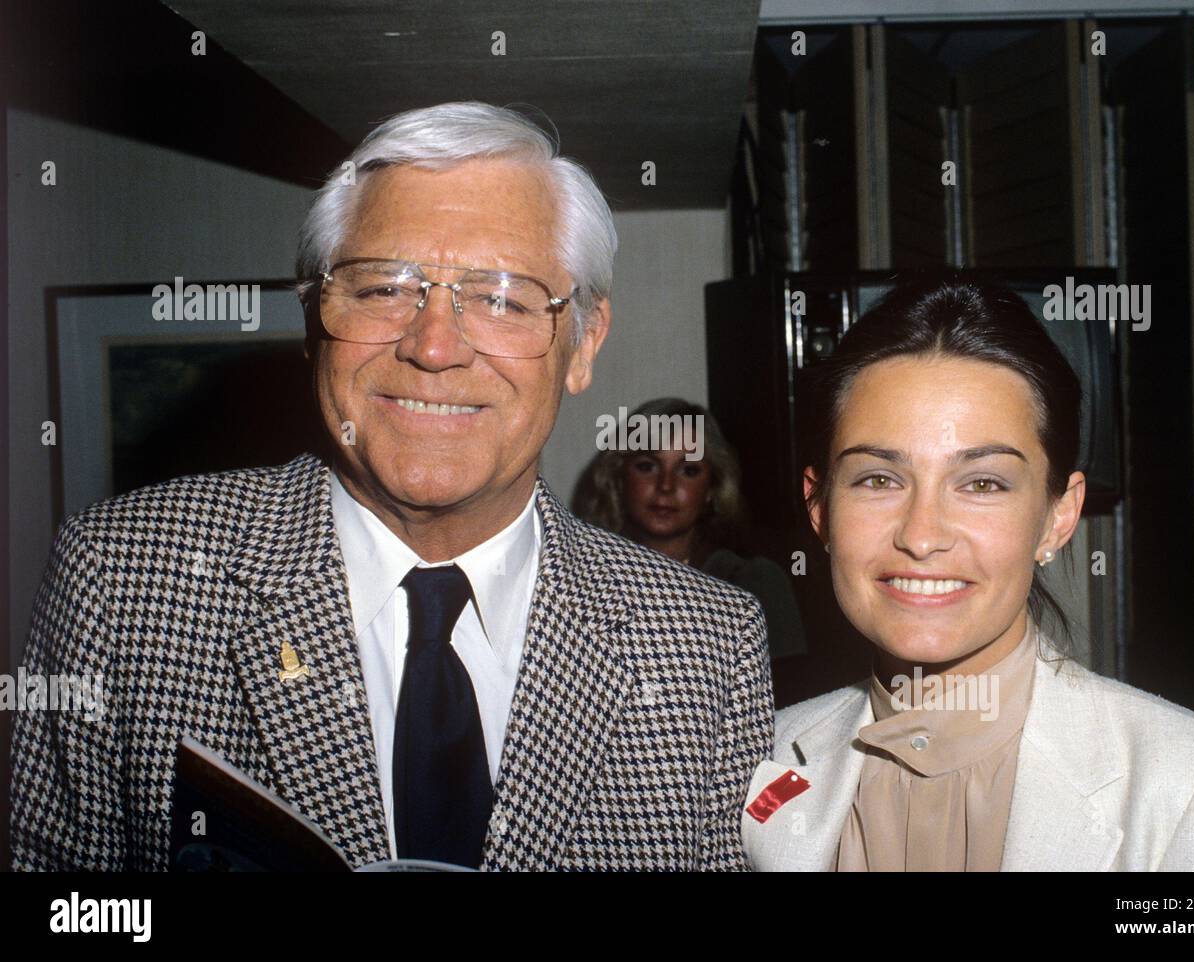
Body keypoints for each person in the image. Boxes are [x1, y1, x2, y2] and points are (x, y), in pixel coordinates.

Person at [11, 102, 773, 871]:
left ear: (583, 343)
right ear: (314, 316)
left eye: (502, 298)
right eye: (381, 289)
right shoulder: (126, 579)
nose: (434, 346)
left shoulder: (706, 644)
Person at [741, 276, 1194, 871]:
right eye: (878, 479)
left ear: (1059, 517)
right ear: (820, 508)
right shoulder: (754, 765)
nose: (922, 535)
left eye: (983, 483)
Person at [574, 397, 806, 659]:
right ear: (619, 477)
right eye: (647, 466)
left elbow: (789, 693)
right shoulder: (580, 584)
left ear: (712, 488)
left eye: (688, 470)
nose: (665, 486)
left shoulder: (754, 584)